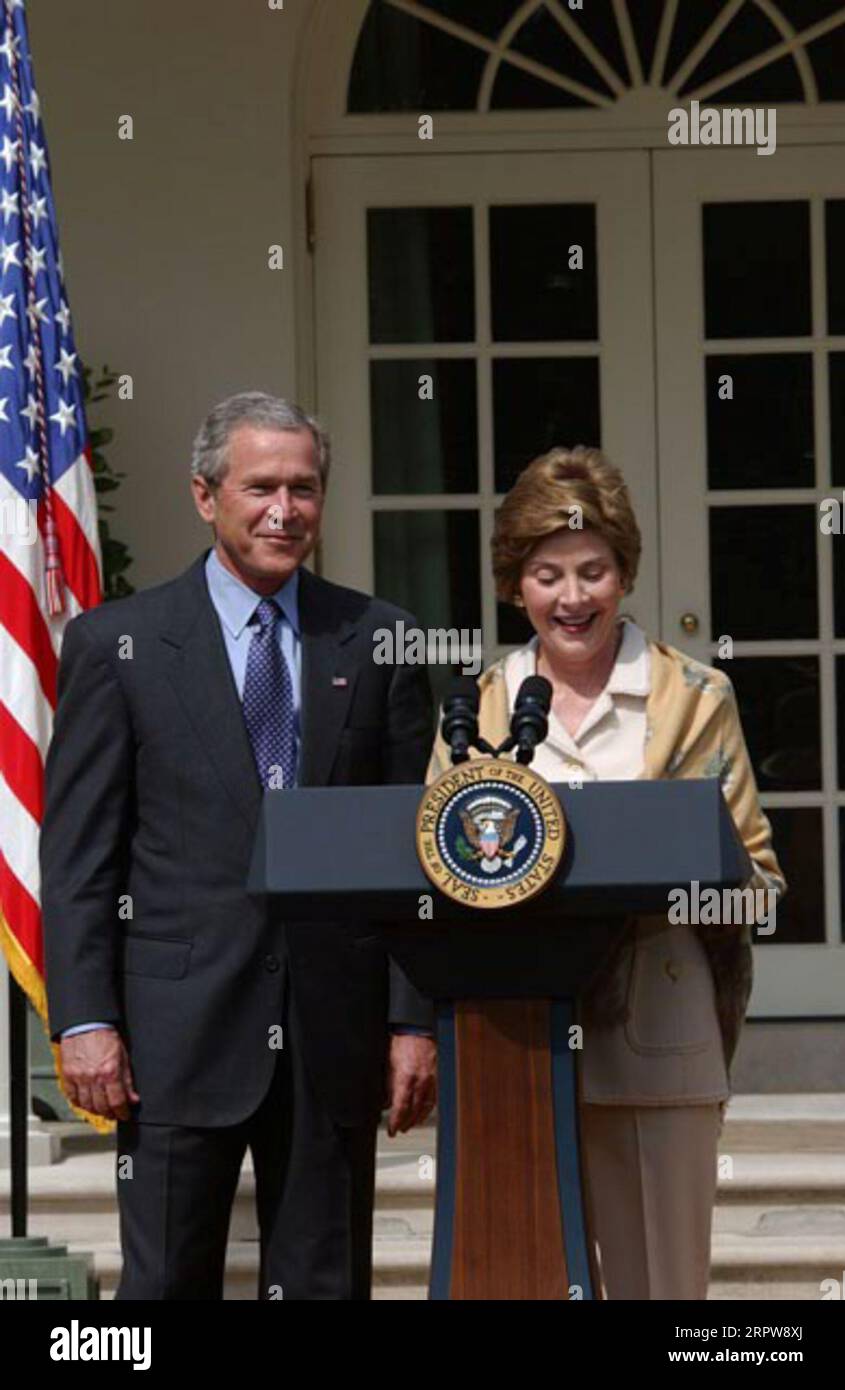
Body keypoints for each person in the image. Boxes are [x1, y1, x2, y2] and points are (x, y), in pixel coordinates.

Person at [41, 391, 437, 1301]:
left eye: (303, 489)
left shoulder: (375, 639)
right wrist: (86, 1019)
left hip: (332, 1029)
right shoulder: (119, 643)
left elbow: (406, 847)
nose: (283, 511)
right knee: (165, 1288)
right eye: (260, 487)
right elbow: (80, 857)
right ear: (204, 494)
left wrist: (411, 1019)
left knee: (324, 1284)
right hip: (171, 1035)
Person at [427, 445, 785, 1300]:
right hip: (506, 1045)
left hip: (655, 1039)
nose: (572, 597)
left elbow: (759, 882)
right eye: (547, 575)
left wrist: (657, 875)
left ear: (623, 575)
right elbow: (432, 870)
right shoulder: (472, 709)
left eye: (593, 571)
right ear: (515, 585)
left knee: (658, 1292)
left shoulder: (696, 698)